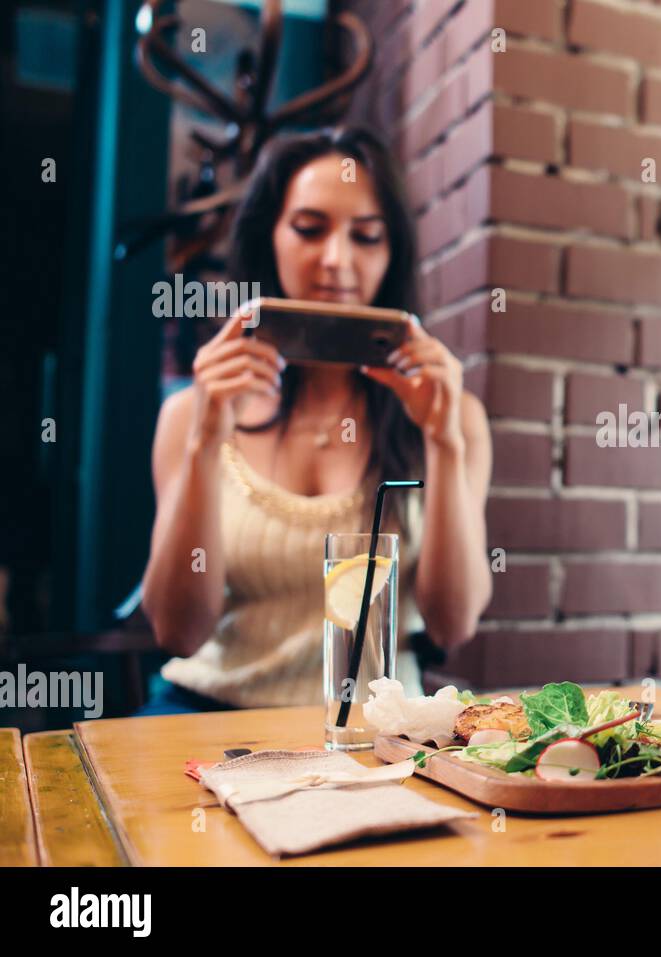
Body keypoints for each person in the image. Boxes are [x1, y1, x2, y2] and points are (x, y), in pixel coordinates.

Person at [138, 127, 492, 713]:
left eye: (366, 236)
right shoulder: (191, 414)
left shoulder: (451, 417)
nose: (336, 260)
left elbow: (453, 625)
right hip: (204, 717)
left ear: (391, 254)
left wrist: (444, 445)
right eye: (308, 229)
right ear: (269, 238)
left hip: (373, 729)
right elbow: (177, 632)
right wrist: (205, 442)